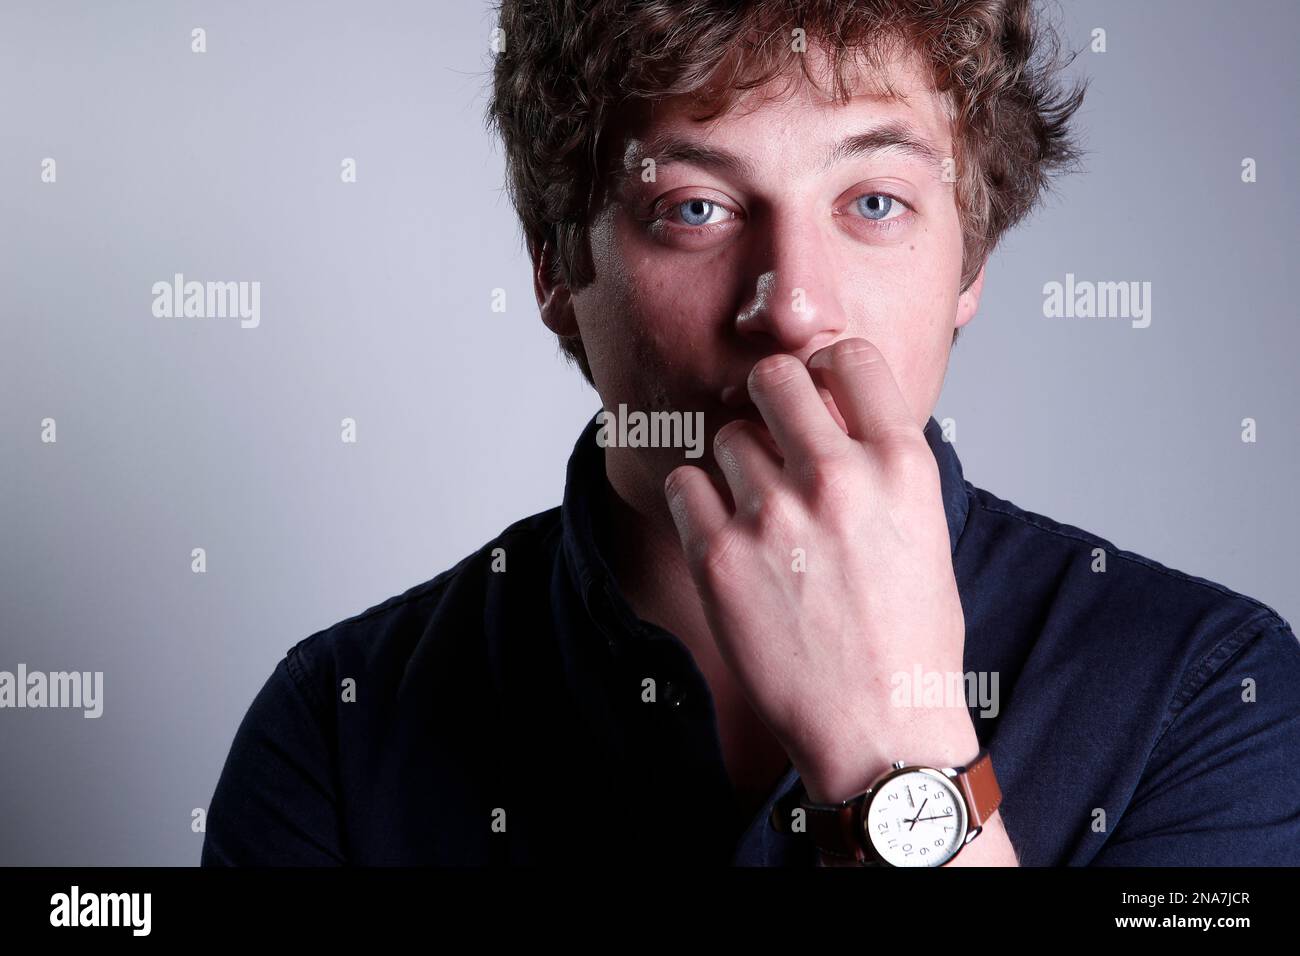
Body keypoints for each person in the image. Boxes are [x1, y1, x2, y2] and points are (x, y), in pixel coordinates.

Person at [201, 0, 1300, 866]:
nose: (791, 304)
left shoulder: (1207, 695)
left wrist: (892, 753)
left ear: (968, 265)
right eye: (694, 207)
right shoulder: (336, 734)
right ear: (553, 267)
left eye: (872, 201)